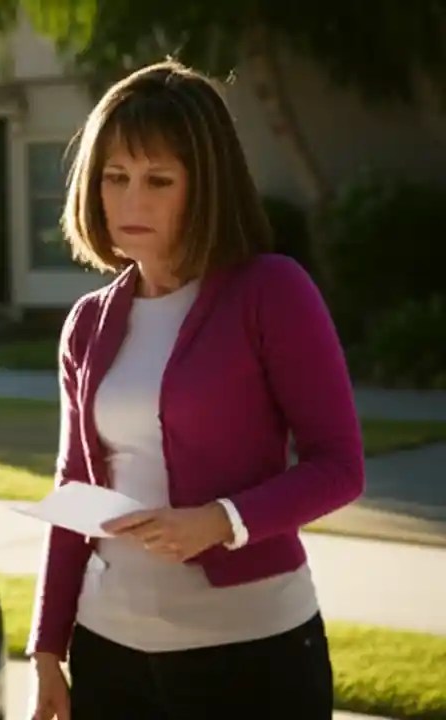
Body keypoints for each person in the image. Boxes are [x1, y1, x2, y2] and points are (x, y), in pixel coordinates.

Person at [26, 59, 365, 720]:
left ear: (204, 187)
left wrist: (220, 522)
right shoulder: (88, 322)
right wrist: (46, 649)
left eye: (158, 180)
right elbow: (73, 486)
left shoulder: (271, 291)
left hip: (250, 649)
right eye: (115, 177)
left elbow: (340, 467)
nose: (131, 200)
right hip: (110, 651)